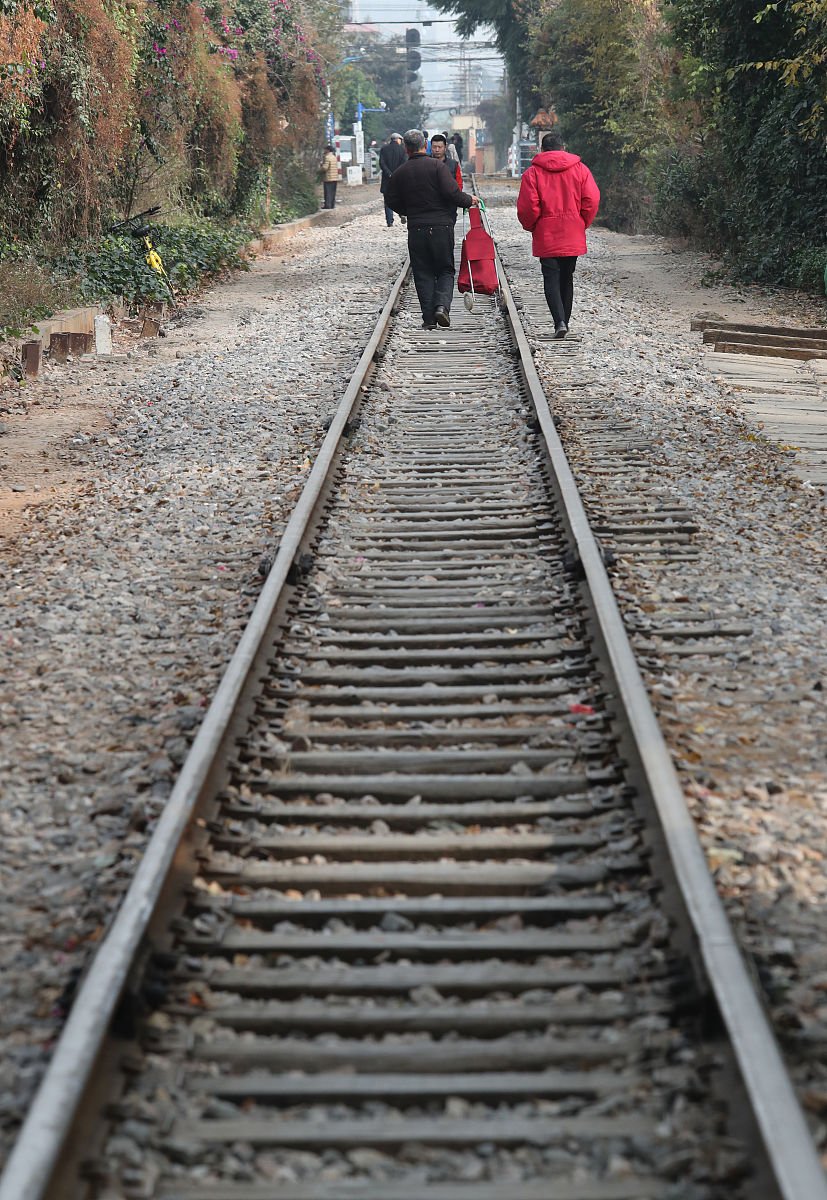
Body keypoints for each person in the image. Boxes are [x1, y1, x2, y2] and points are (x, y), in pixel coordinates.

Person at [384, 128, 479, 330]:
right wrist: (468, 200)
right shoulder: (437, 166)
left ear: (407, 150)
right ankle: (442, 307)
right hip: (441, 226)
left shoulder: (400, 173)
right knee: (445, 269)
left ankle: (428, 319)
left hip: (416, 228)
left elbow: (391, 199)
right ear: (423, 146)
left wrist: (409, 211)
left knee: (423, 272)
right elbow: (452, 192)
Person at [516, 131, 599, 338]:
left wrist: (533, 225)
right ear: (563, 148)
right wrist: (581, 223)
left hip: (547, 233)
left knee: (551, 276)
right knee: (567, 277)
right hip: (572, 231)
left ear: (542, 150)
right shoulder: (580, 169)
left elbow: (528, 208)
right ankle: (565, 322)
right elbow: (592, 199)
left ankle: (559, 322)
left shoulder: (532, 174)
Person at [378, 133, 406, 227]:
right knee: (400, 197)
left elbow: (381, 163)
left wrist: (389, 173)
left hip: (387, 178)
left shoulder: (384, 149)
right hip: (399, 178)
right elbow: (404, 163)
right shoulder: (403, 150)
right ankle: (402, 214)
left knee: (387, 199)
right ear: (398, 139)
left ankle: (389, 221)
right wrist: (396, 173)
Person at [320, 144, 338, 209]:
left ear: (327, 150)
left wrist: (319, 169)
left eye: (325, 149)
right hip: (334, 178)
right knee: (332, 192)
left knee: (327, 192)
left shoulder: (327, 157)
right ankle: (332, 205)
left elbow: (325, 168)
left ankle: (327, 205)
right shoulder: (334, 157)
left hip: (328, 178)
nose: (324, 151)